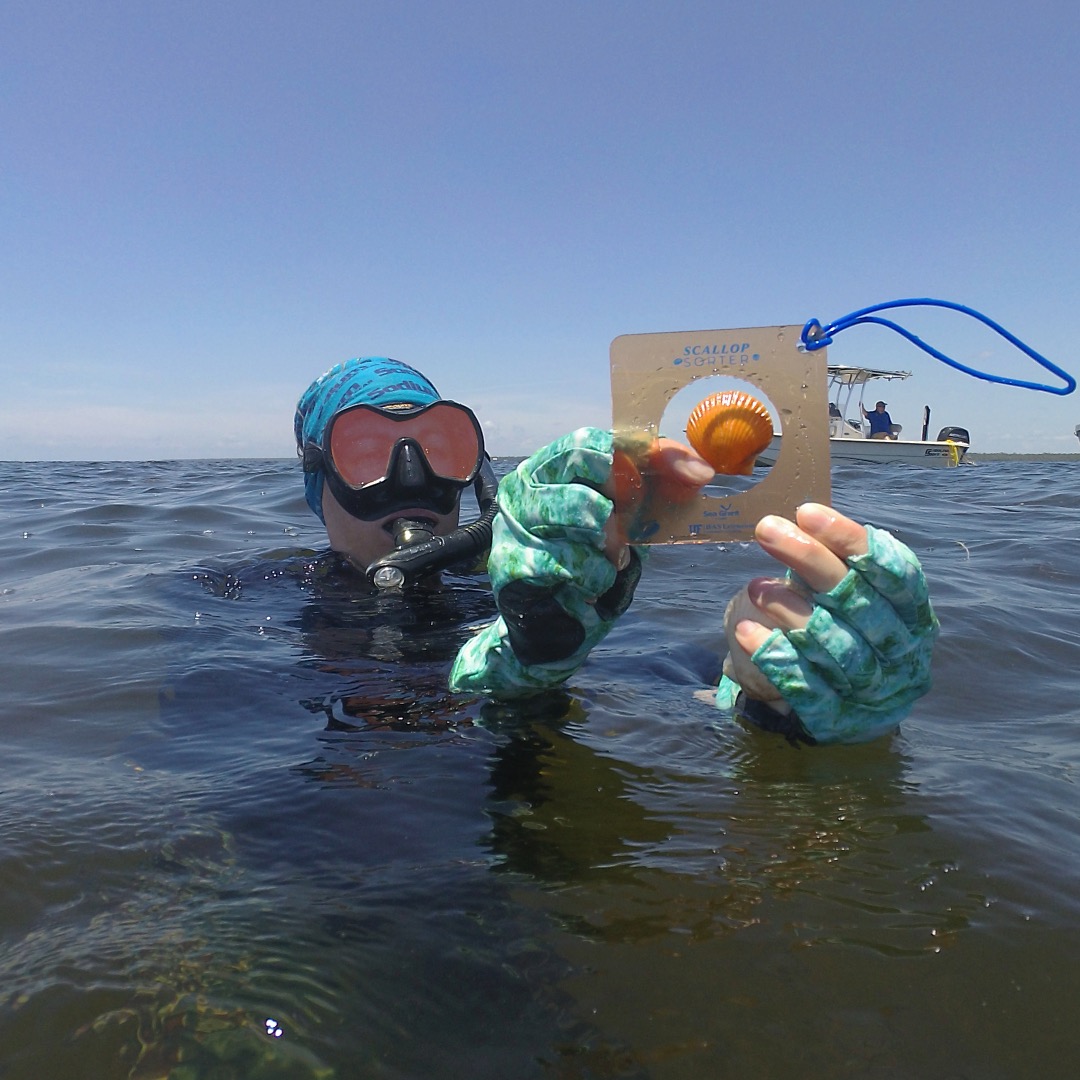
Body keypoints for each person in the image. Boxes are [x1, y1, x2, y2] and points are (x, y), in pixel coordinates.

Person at [295, 357, 938, 746]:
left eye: (437, 448)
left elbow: (653, 686)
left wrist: (772, 702)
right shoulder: (248, 604)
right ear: (316, 478)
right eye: (367, 453)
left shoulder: (544, 582)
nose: (413, 480)